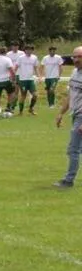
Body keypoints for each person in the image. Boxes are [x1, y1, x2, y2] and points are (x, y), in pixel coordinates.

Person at [54, 46, 82, 188]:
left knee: (73, 149)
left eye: (79, 57)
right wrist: (61, 113)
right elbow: (71, 95)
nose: (75, 59)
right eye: (74, 57)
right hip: (75, 114)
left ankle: (68, 180)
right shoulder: (74, 73)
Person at [15, 44, 40, 115]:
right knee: (23, 96)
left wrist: (39, 76)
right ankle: (20, 112)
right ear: (25, 50)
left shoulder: (34, 57)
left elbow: (36, 67)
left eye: (30, 49)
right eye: (27, 49)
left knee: (35, 95)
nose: (29, 51)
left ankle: (31, 108)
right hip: (23, 80)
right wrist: (13, 75)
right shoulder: (21, 58)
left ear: (32, 50)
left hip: (30, 79)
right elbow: (16, 67)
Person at [7, 41, 24, 115]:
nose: (15, 47)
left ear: (18, 46)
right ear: (11, 46)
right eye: (14, 46)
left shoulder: (22, 53)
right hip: (12, 75)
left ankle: (13, 106)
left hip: (20, 75)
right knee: (13, 92)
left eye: (16, 46)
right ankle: (11, 106)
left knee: (20, 92)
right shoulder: (8, 54)